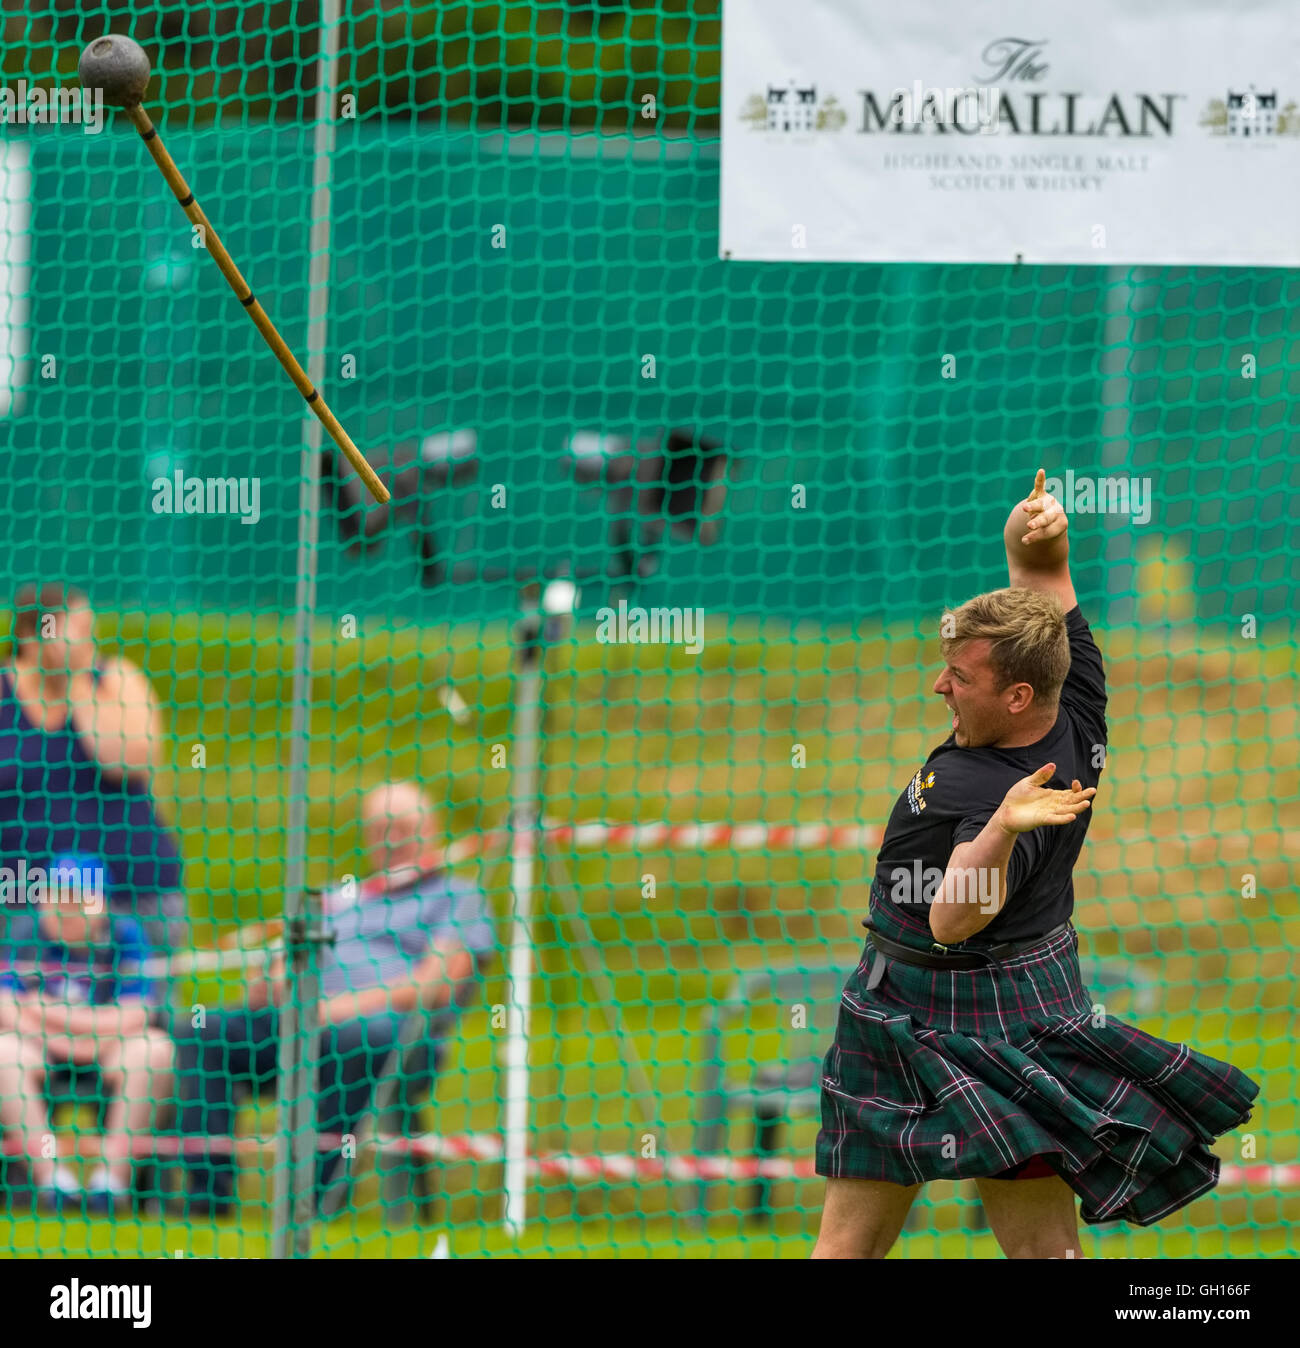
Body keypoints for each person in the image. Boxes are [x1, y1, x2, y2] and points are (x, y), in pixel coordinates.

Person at [812, 469, 1260, 1259]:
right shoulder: (1073, 689)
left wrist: (1003, 831)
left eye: (960, 678)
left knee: (1033, 1250)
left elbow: (951, 917)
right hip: (950, 1000)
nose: (938, 684)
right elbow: (1044, 577)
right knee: (865, 1247)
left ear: (1018, 696)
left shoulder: (998, 797)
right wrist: (1040, 532)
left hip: (979, 1001)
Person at [172, 781, 495, 1215]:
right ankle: (208, 1199)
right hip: (301, 1022)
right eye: (379, 828)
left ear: (431, 828)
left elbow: (434, 985)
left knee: (356, 1039)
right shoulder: (340, 898)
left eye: (401, 826)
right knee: (203, 1030)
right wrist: (272, 980)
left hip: (389, 1035)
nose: (391, 839)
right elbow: (281, 962)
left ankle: (313, 1205)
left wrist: (333, 1009)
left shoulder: (459, 896)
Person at [0, 583, 187, 957]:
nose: (88, 642)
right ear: (30, 635)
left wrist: (76, 679)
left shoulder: (115, 678)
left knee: (139, 1014)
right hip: (20, 903)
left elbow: (125, 760)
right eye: (78, 631)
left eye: (89, 631)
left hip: (132, 897)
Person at [0, 857, 171, 1213]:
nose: (64, 909)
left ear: (101, 903)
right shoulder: (24, 932)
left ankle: (110, 1184)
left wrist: (54, 1014)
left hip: (107, 1048)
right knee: (4, 1052)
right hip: (43, 1047)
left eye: (75, 899)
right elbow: (6, 1006)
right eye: (54, 897)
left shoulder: (126, 934)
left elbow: (139, 1013)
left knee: (155, 1050)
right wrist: (64, 1037)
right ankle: (54, 1180)